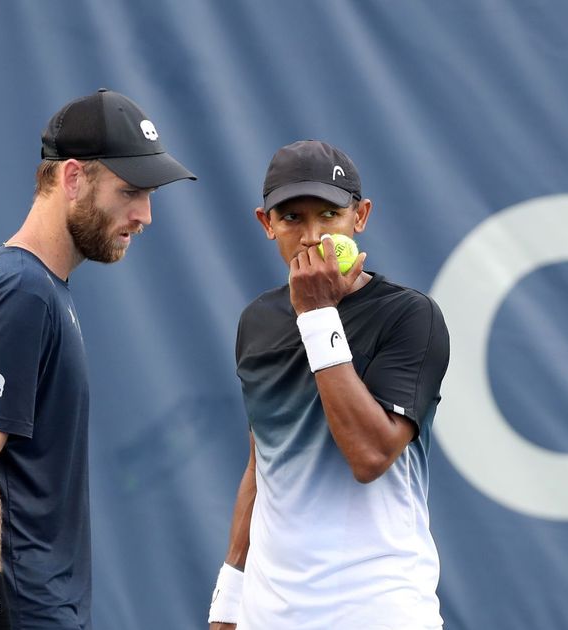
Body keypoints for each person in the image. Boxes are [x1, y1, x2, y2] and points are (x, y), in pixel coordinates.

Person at [0, 89, 195, 630]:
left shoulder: (33, 286)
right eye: (130, 192)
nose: (145, 215)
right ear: (72, 179)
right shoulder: (21, 293)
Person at [207, 140, 450, 629]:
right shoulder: (257, 321)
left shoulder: (410, 317)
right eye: (292, 218)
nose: (312, 236)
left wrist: (317, 316)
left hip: (379, 613)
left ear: (359, 217)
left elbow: (370, 456)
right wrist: (229, 599)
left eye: (329, 215)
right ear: (266, 223)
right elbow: (262, 465)